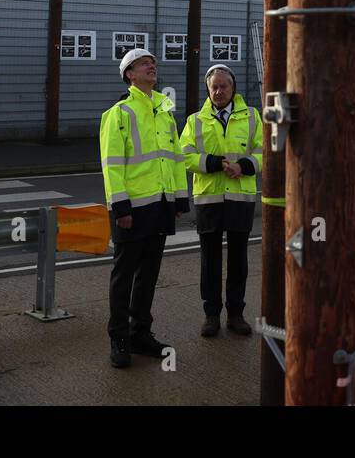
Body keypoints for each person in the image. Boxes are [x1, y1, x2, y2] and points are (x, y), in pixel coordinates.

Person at [101, 48, 189, 368]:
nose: (152, 66)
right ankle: (119, 337)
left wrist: (180, 198)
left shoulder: (164, 113)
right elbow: (111, 165)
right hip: (132, 209)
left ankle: (140, 334)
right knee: (124, 276)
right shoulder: (119, 113)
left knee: (148, 275)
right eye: (143, 63)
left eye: (153, 63)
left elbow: (175, 158)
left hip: (161, 206)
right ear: (129, 75)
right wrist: (120, 207)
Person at [180, 64, 264, 338]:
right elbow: (184, 155)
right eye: (213, 87)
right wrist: (213, 163)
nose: (218, 91)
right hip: (209, 199)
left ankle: (236, 314)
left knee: (239, 260)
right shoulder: (195, 121)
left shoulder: (252, 116)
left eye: (223, 86)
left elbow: (266, 151)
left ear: (233, 87)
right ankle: (211, 315)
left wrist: (246, 166)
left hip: (240, 197)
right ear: (208, 89)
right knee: (210, 261)